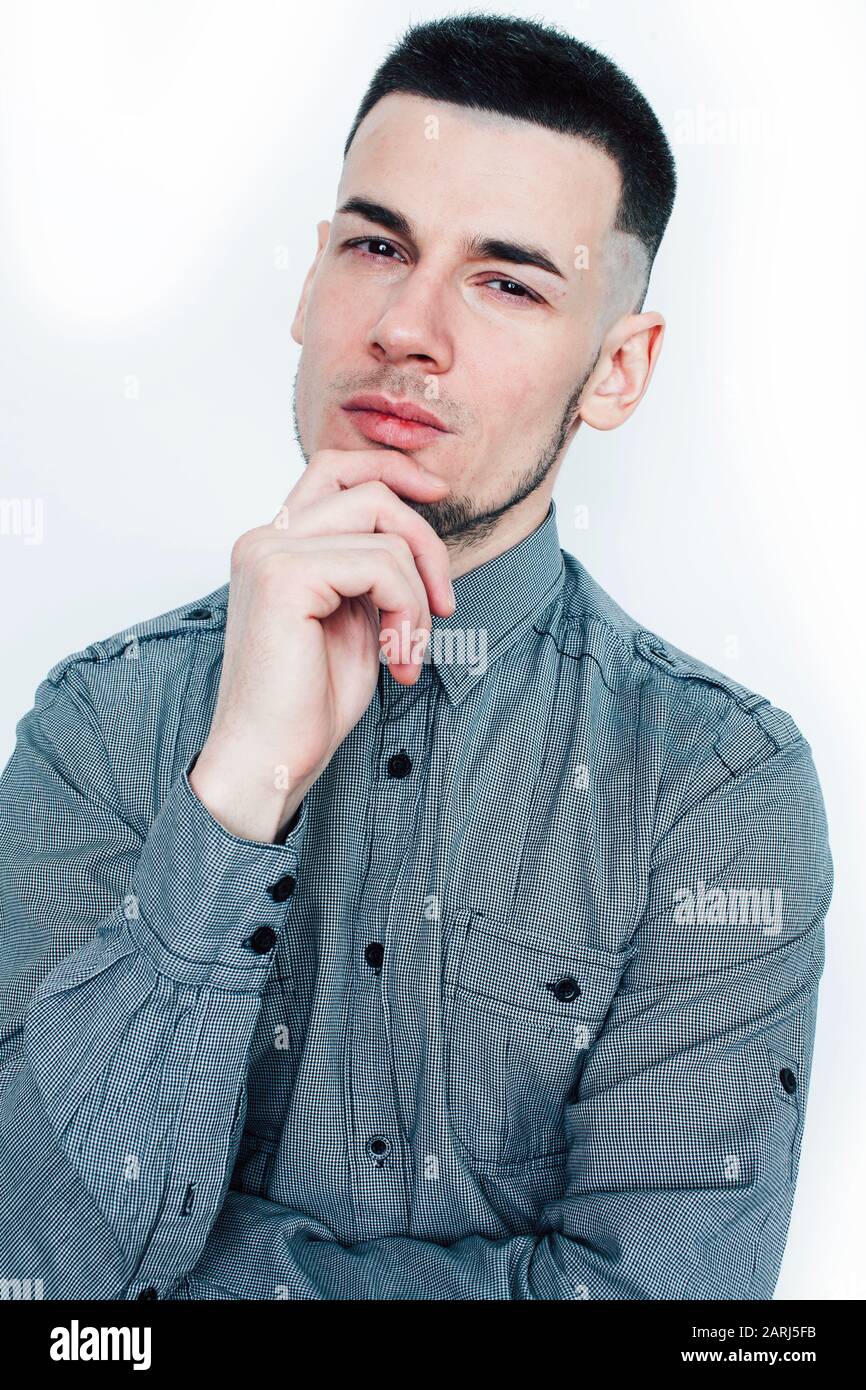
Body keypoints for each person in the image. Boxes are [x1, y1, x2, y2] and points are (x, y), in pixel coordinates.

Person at [0, 13, 832, 1300]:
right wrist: (235, 792)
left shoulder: (715, 782)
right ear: (306, 283)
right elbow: (30, 1268)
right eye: (375, 246)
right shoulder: (105, 723)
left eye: (505, 280)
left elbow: (666, 1306)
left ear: (617, 368)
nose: (404, 325)